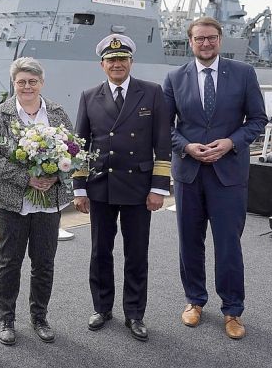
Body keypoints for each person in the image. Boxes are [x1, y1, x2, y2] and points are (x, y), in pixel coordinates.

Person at [162, 16, 267, 340]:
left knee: (228, 246)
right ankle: (194, 300)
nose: (205, 44)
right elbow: (165, 127)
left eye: (211, 38)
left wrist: (231, 142)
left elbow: (258, 119)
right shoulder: (174, 78)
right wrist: (186, 146)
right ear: (190, 42)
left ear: (220, 39)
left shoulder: (243, 74)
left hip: (228, 174)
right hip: (189, 175)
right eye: (199, 39)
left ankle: (233, 310)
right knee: (189, 243)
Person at [72, 34, 171, 342]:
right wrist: (79, 189)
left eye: (123, 59)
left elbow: (163, 144)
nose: (117, 64)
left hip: (139, 189)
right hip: (101, 186)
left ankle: (135, 313)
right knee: (100, 251)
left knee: (136, 253)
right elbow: (80, 145)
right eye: (111, 60)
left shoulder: (152, 93)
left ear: (131, 62)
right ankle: (102, 308)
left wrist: (159, 188)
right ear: (102, 65)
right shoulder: (89, 96)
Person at [0, 57, 74, 346]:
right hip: (12, 201)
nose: (27, 86)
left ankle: (40, 317)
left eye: (32, 81)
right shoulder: (1, 114)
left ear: (41, 83)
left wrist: (55, 175)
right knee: (10, 261)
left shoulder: (56, 113)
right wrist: (27, 179)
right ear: (14, 83)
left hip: (49, 201)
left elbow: (71, 149)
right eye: (21, 81)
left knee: (44, 262)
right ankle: (6, 318)